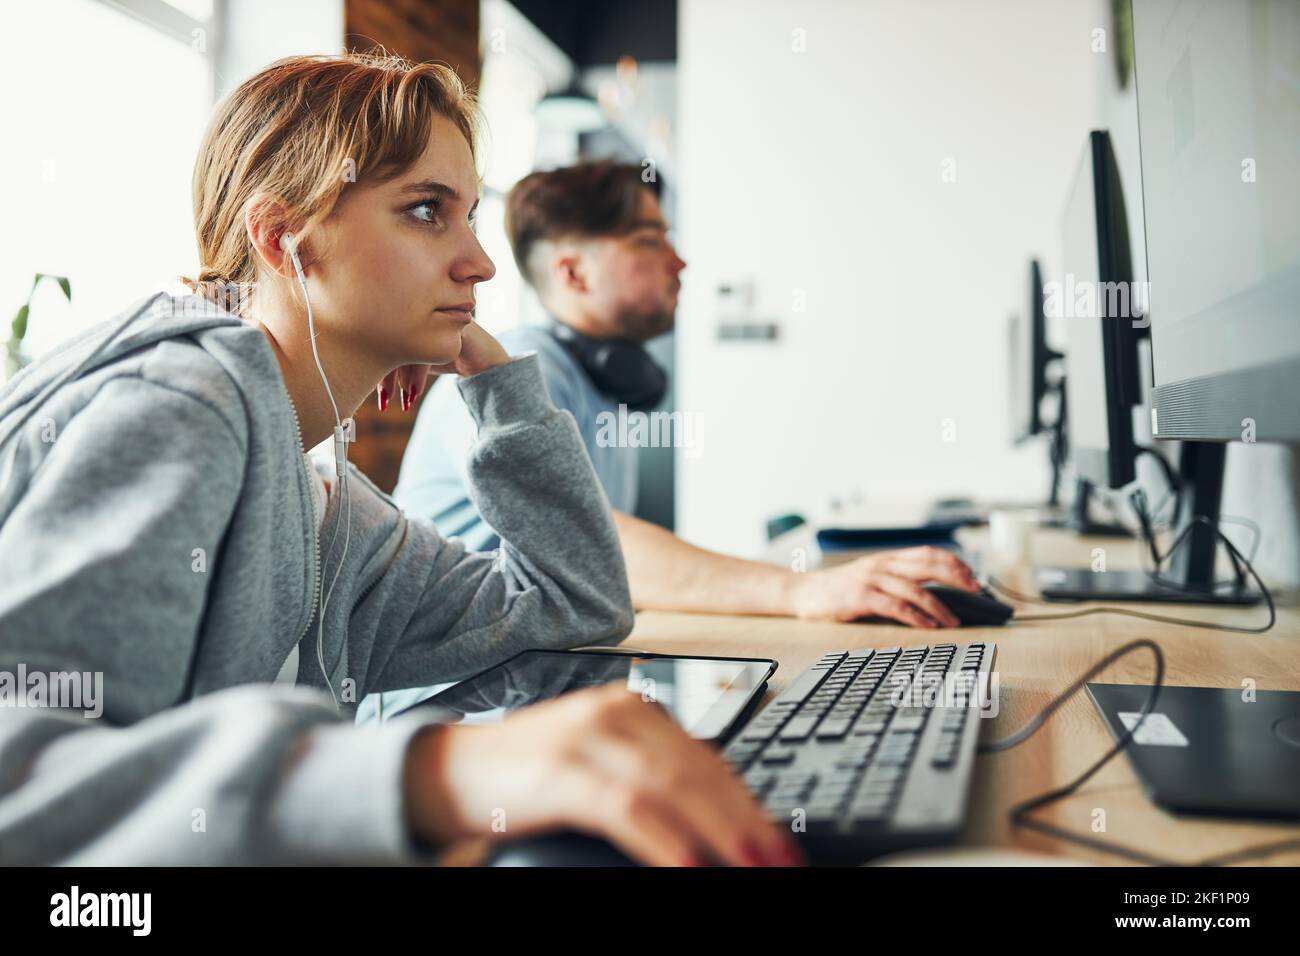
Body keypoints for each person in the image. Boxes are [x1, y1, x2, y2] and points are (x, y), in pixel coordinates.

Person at [0, 53, 800, 867]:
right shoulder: (175, 406)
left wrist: (501, 388)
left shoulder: (321, 505)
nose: (481, 262)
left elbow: (575, 608)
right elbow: (18, 789)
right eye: (425, 211)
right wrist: (437, 772)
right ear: (282, 240)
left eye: (470, 216)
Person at [366, 162, 981, 718]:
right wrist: (806, 590)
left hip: (538, 682)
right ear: (573, 271)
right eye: (649, 240)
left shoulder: (600, 380)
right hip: (450, 710)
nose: (679, 262)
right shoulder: (516, 375)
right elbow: (605, 552)